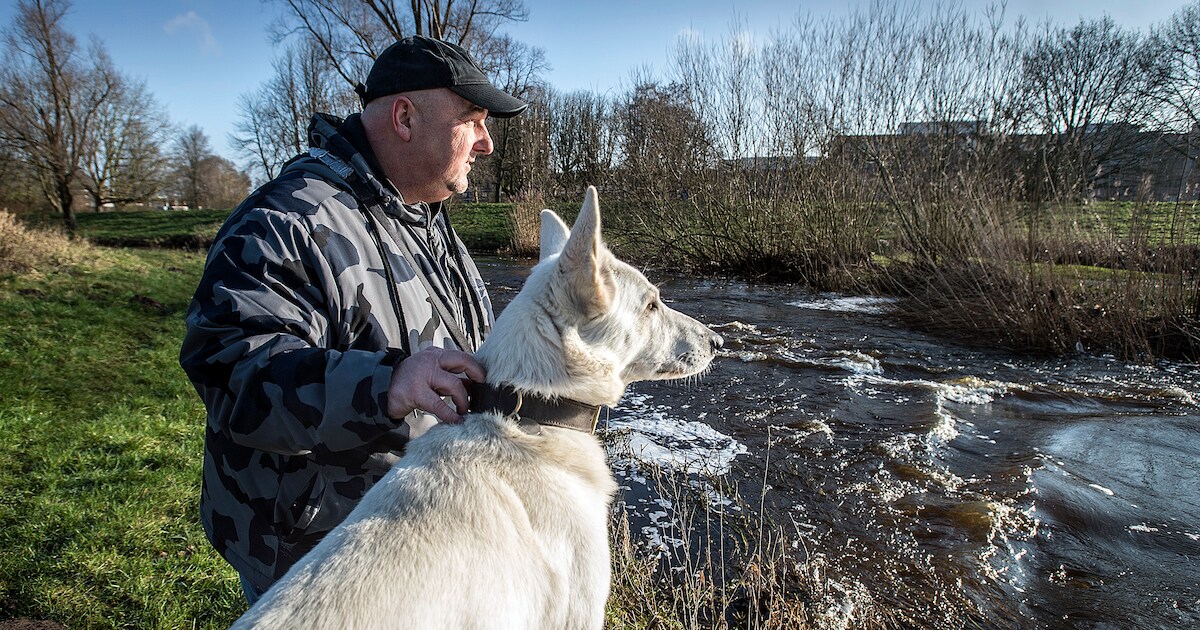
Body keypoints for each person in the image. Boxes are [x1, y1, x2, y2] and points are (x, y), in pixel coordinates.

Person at [179, 35, 528, 603]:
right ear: (405, 116)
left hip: (409, 533)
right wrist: (385, 383)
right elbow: (233, 376)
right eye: (473, 120)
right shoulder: (287, 221)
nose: (486, 144)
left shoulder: (422, 214)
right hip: (316, 553)